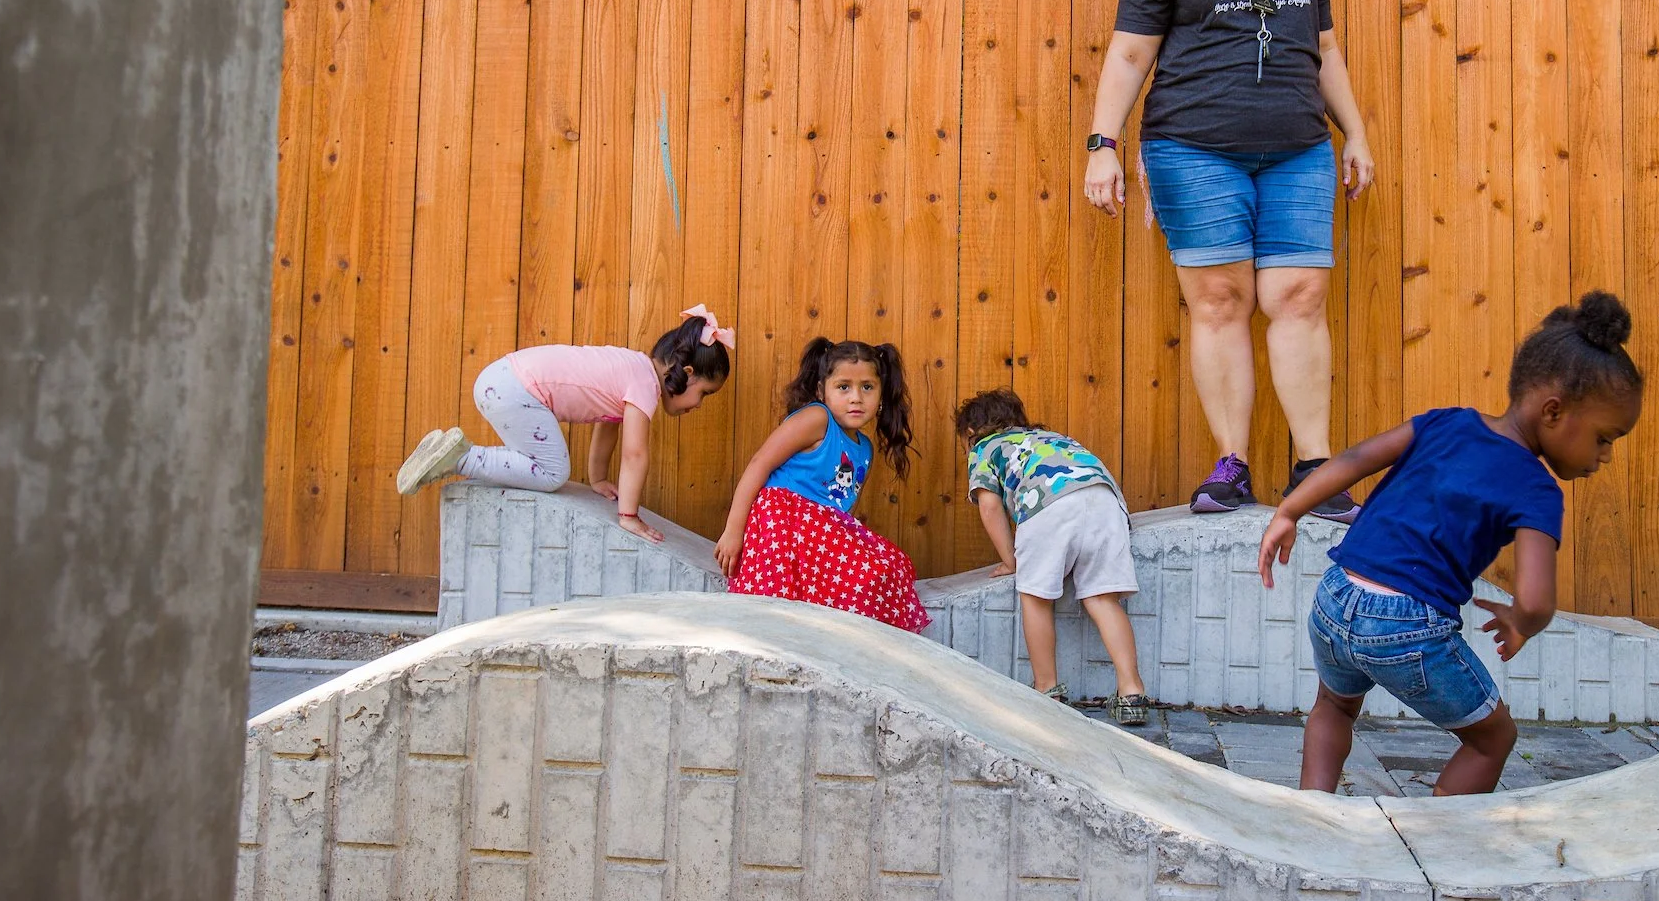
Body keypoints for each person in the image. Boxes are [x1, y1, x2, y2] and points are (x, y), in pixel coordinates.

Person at [1084, 0, 1378, 520]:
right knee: (1220, 301)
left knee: (1298, 295)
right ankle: (1232, 465)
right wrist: (1103, 145)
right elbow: (1130, 54)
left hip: (1299, 149)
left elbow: (1324, 48)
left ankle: (1315, 468)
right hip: (1193, 149)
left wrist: (1356, 133)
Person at [1256, 293, 1644, 796]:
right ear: (1554, 411)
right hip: (1404, 626)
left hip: (1335, 595)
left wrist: (1289, 511)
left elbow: (1354, 459)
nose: (1606, 456)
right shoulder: (1536, 490)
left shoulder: (1444, 422)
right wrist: (1521, 622)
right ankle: (1436, 832)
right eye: (1604, 438)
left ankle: (1313, 808)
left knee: (1333, 705)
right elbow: (1535, 600)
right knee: (1493, 738)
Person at [395, 306, 734, 543]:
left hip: (502, 378)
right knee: (552, 473)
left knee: (540, 463)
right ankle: (461, 458)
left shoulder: (633, 367)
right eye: (704, 394)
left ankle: (451, 454)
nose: (698, 405)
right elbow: (635, 454)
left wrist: (598, 479)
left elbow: (607, 426)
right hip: (517, 389)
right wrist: (628, 516)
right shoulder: (645, 384)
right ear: (687, 374)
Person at [955, 389, 1152, 725]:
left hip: (1047, 503)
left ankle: (1047, 689)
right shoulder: (1052, 438)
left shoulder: (984, 447)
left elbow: (989, 506)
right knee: (1102, 598)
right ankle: (1132, 691)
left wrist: (1011, 560)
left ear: (971, 433)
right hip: (1105, 501)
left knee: (1036, 598)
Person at [716, 337, 929, 631]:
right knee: (868, 572)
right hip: (783, 522)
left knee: (890, 565)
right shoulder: (817, 419)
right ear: (821, 391)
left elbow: (843, 512)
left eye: (867, 387)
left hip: (821, 531)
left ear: (881, 393)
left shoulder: (864, 449)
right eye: (843, 387)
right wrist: (733, 531)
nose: (856, 398)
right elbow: (759, 465)